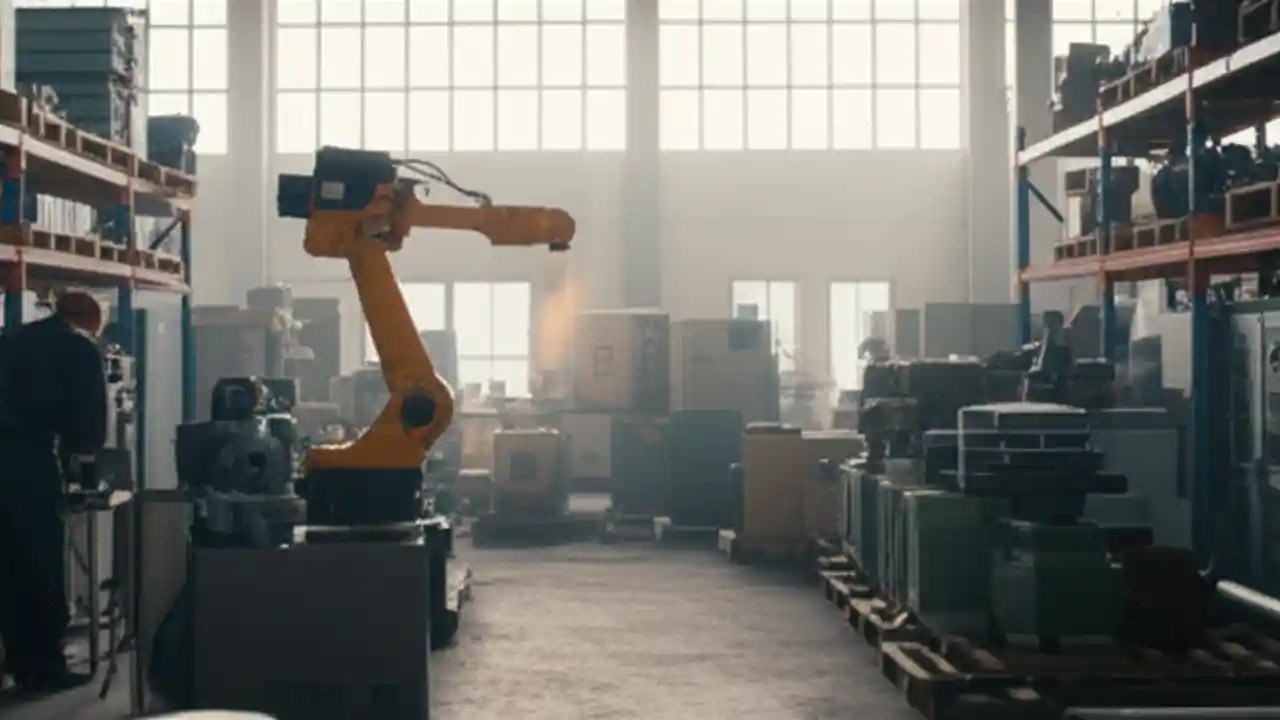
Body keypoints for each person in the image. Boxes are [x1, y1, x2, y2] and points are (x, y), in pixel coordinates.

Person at [0, 291, 108, 691]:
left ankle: (17, 659)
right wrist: (84, 474)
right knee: (40, 563)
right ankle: (44, 666)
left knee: (7, 565)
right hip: (27, 462)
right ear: (91, 321)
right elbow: (88, 421)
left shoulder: (11, 340)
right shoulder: (77, 348)